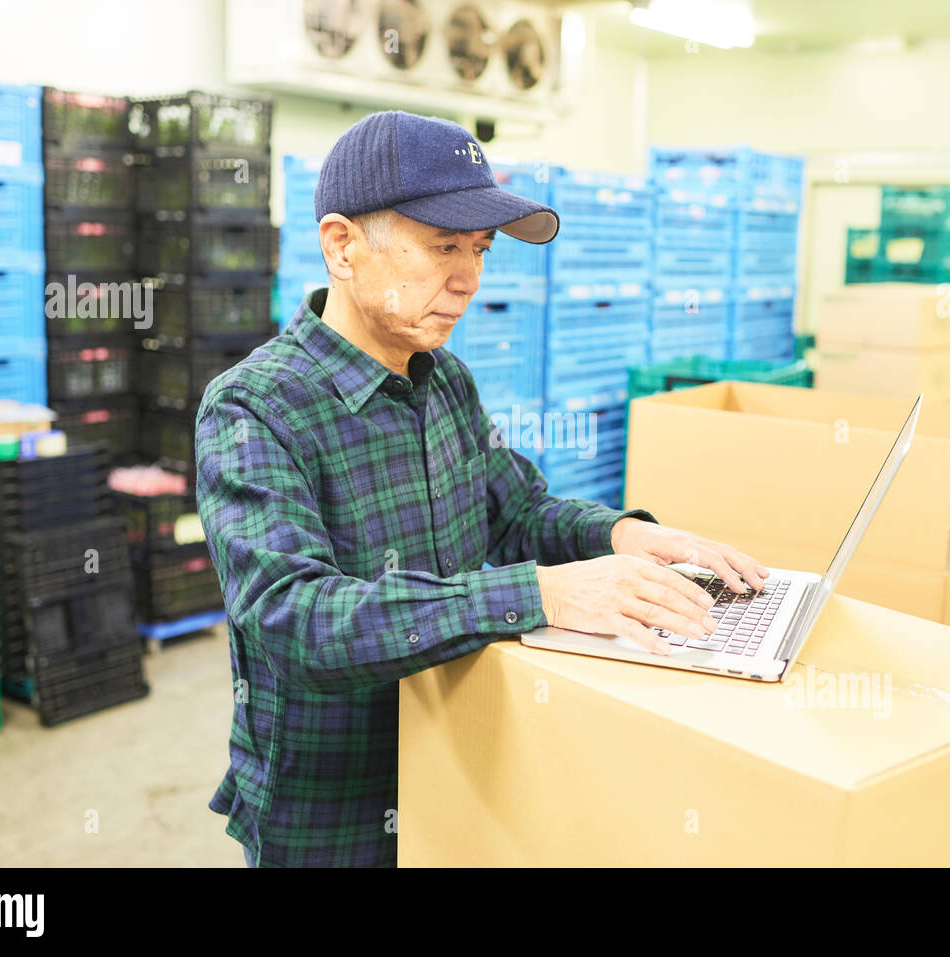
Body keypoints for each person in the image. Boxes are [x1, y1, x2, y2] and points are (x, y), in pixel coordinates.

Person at [194, 110, 770, 867]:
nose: (467, 279)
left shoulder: (444, 380)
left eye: (479, 249)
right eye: (440, 247)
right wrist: (542, 593)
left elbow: (519, 510)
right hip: (335, 811)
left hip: (463, 762)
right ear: (342, 244)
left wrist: (621, 536)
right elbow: (296, 619)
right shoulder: (255, 408)